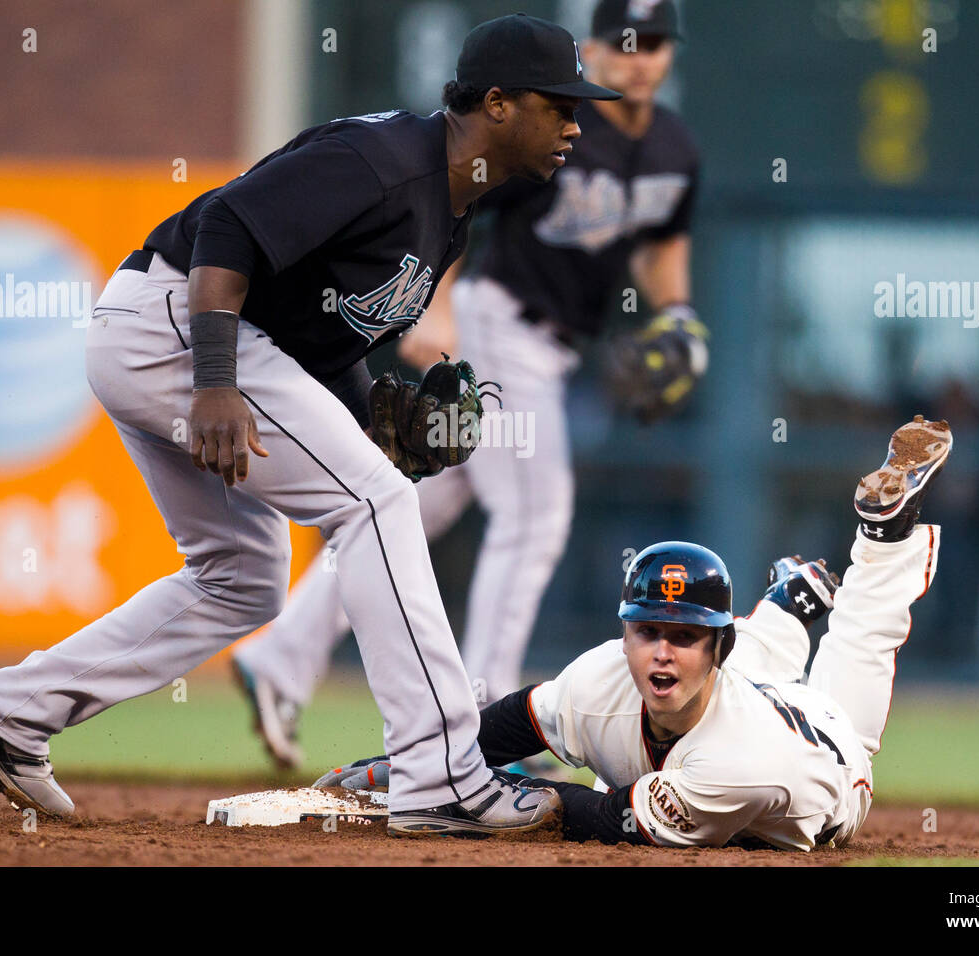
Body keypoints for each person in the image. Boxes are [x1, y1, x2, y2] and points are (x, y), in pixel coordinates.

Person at [0, 13, 621, 837]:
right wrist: (216, 382)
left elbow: (320, 337)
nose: (577, 124)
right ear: (499, 103)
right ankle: (442, 774)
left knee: (246, 574)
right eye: (561, 104)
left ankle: (10, 712)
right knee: (373, 506)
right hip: (180, 324)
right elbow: (229, 223)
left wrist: (373, 418)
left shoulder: (454, 207)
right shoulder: (386, 160)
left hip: (172, 334)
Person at [232, 0, 704, 769]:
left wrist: (679, 315)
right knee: (535, 515)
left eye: (654, 42)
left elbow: (661, 245)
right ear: (593, 47)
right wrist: (435, 307)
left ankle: (283, 652)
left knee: (419, 497)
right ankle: (489, 720)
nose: (640, 55)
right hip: (500, 324)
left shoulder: (674, 149)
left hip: (556, 348)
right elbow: (464, 205)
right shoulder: (556, 130)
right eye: (624, 41)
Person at [318, 417, 952, 849]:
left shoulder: (739, 766)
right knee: (727, 663)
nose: (661, 649)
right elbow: (511, 722)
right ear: (623, 637)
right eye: (646, 631)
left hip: (825, 764)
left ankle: (880, 538)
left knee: (859, 651)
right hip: (741, 684)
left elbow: (597, 815)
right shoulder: (608, 673)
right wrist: (412, 764)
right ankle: (786, 604)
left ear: (716, 648)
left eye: (683, 635)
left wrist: (481, 790)